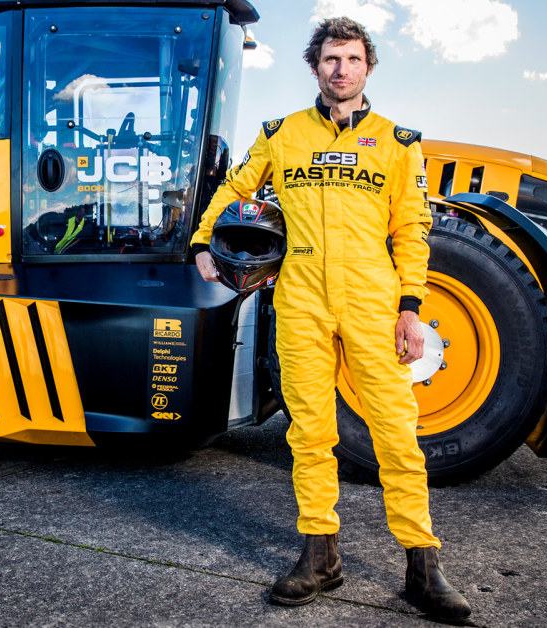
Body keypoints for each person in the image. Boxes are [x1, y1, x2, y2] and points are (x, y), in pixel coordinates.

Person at [189, 17, 471, 621]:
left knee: (396, 434)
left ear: (368, 68)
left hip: (373, 302)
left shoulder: (399, 143)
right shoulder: (281, 135)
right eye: (329, 59)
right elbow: (237, 187)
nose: (340, 69)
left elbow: (412, 230)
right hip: (300, 301)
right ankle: (320, 557)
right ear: (314, 68)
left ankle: (423, 565)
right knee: (310, 435)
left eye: (351, 59)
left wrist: (411, 308)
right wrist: (203, 243)